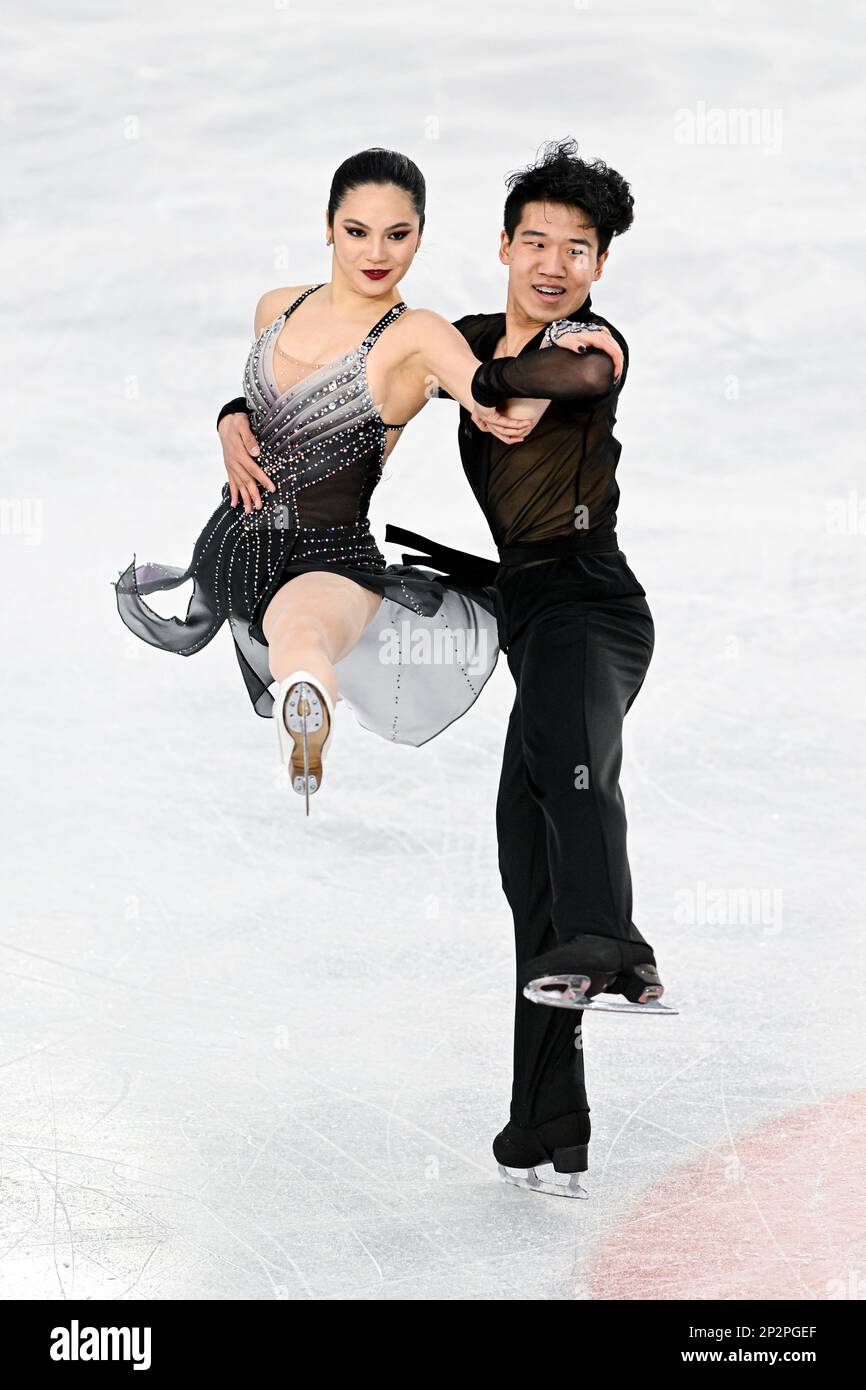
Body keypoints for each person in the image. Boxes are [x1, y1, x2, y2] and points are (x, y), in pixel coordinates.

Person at [217, 138, 671, 1199]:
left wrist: (493, 387)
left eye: (578, 248)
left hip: (592, 607)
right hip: (525, 604)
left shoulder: (588, 343)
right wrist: (235, 411)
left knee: (568, 770)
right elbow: (349, 377)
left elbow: (566, 376)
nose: (553, 264)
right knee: (526, 874)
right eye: (535, 242)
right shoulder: (457, 341)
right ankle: (545, 1116)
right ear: (503, 246)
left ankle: (618, 942)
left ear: (599, 264)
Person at [113, 148, 541, 812]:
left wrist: (563, 344)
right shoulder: (276, 308)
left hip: (330, 555)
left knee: (302, 636)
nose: (377, 252)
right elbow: (259, 413)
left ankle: (306, 716)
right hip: (234, 549)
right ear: (327, 225)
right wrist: (227, 419)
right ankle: (302, 692)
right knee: (291, 634)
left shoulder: (418, 335)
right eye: (357, 231)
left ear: (420, 236)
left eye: (398, 234)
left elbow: (492, 399)